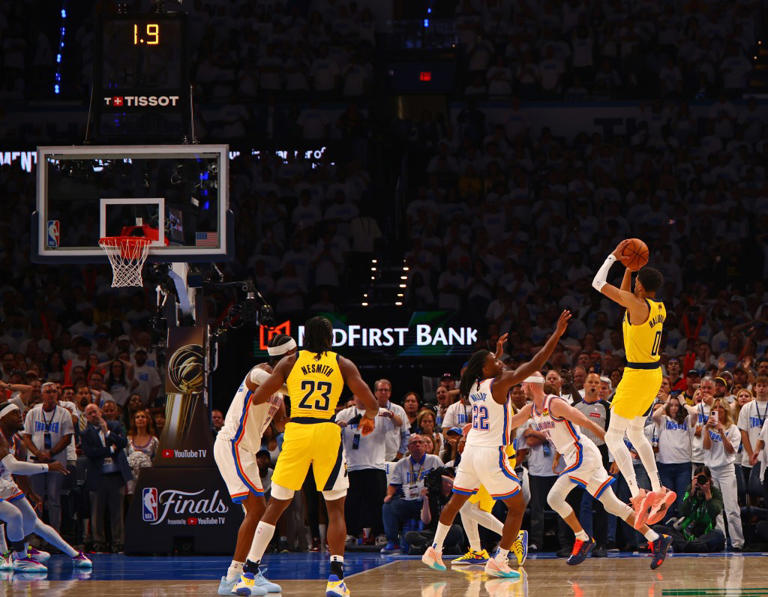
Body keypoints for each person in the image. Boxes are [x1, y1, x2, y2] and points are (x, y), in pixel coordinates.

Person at [421, 310, 571, 579]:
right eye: (494, 360)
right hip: (491, 453)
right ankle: (500, 560)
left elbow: (488, 369)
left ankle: (434, 549)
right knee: (517, 506)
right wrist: (557, 335)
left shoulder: (474, 385)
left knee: (456, 502)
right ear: (485, 368)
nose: (499, 362)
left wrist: (496, 355)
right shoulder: (499, 384)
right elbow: (536, 362)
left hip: (470, 453)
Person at [236, 316, 379, 597]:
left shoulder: (290, 363)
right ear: (330, 338)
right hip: (326, 432)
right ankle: (336, 581)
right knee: (335, 509)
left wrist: (291, 387)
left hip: (297, 432)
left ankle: (248, 575)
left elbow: (259, 397)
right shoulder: (342, 363)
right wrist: (368, 418)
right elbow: (371, 404)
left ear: (304, 339)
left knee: (275, 506)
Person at [523, 373, 672, 569]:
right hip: (573, 457)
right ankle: (656, 538)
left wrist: (617, 450)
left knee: (554, 498)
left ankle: (582, 538)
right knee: (612, 505)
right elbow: (510, 422)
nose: (521, 387)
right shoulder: (531, 409)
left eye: (523, 383)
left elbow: (588, 424)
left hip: (582, 453)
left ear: (531, 386)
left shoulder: (554, 404)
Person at [592, 239, 675, 524]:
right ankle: (658, 489)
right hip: (654, 375)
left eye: (636, 280)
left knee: (613, 436)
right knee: (637, 433)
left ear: (640, 286)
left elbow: (598, 283)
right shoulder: (657, 306)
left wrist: (614, 257)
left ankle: (636, 493)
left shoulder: (636, 304)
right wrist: (630, 269)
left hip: (637, 376)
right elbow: (626, 296)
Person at [214, 333, 295, 596]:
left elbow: (281, 424)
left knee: (257, 512)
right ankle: (232, 578)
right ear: (286, 357)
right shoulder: (260, 372)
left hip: (246, 450)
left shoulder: (280, 390)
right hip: (233, 444)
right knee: (258, 510)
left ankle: (251, 571)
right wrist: (309, 388)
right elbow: (281, 386)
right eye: (295, 357)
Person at [0, 400, 91, 571]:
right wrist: (48, 467)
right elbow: (13, 467)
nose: (20, 416)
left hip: (4, 483)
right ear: (3, 419)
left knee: (33, 521)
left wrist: (30, 492)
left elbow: (18, 472)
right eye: (15, 414)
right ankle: (17, 556)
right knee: (13, 515)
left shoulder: (17, 441)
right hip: (2, 484)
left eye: (20, 413)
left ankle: (74, 555)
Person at [336, 395, 389, 547]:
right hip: (353, 465)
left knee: (377, 503)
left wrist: (391, 416)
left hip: (375, 465)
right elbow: (332, 433)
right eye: (358, 395)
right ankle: (351, 533)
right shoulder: (344, 414)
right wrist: (338, 426)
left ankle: (379, 533)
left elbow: (398, 424)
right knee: (352, 503)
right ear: (354, 398)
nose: (362, 398)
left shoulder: (380, 412)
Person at [21, 381, 73, 533]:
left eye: (54, 392)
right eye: (48, 392)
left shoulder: (64, 413)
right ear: (42, 394)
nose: (51, 395)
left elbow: (67, 438)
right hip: (36, 462)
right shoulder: (33, 413)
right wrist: (38, 453)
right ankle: (36, 534)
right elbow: (26, 437)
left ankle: (54, 534)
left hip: (56, 461)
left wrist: (50, 453)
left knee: (54, 498)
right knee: (36, 498)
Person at [81, 403, 133, 553]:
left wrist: (107, 432)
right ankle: (99, 543)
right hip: (98, 477)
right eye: (90, 413)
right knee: (97, 512)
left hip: (116, 476)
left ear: (100, 412)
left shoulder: (115, 426)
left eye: (95, 411)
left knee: (117, 512)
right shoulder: (86, 434)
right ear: (86, 417)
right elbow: (90, 453)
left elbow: (122, 443)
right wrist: (110, 449)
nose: (93, 415)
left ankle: (118, 543)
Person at [381, 434, 444, 553]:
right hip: (408, 500)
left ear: (425, 446)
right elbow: (393, 485)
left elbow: (445, 479)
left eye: (420, 442)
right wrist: (389, 495)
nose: (417, 445)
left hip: (429, 500)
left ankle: (434, 541)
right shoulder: (401, 463)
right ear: (409, 447)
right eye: (414, 443)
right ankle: (393, 542)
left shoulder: (434, 460)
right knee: (388, 506)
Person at [702, 398, 743, 550]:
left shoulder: (733, 429)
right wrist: (707, 430)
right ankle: (721, 541)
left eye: (720, 408)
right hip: (711, 471)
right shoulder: (708, 427)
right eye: (715, 407)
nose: (717, 410)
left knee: (732, 509)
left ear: (726, 411)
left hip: (726, 470)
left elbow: (731, 450)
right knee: (716, 509)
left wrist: (722, 432)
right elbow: (706, 447)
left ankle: (738, 542)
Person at [654, 465, 725, 552]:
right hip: (686, 534)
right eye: (698, 479)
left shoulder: (715, 492)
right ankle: (693, 547)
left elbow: (715, 512)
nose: (701, 482)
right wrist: (691, 494)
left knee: (718, 534)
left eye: (703, 479)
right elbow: (682, 512)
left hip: (705, 534)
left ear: (709, 479)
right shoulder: (690, 490)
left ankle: (685, 546)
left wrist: (708, 495)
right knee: (656, 529)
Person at [651, 395, 694, 519]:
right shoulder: (663, 420)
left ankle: (682, 528)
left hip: (683, 465)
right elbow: (654, 416)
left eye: (677, 405)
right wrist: (665, 403)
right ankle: (667, 528)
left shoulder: (687, 420)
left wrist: (684, 403)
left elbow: (695, 413)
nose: (674, 408)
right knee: (667, 501)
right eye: (672, 406)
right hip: (665, 465)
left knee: (682, 502)